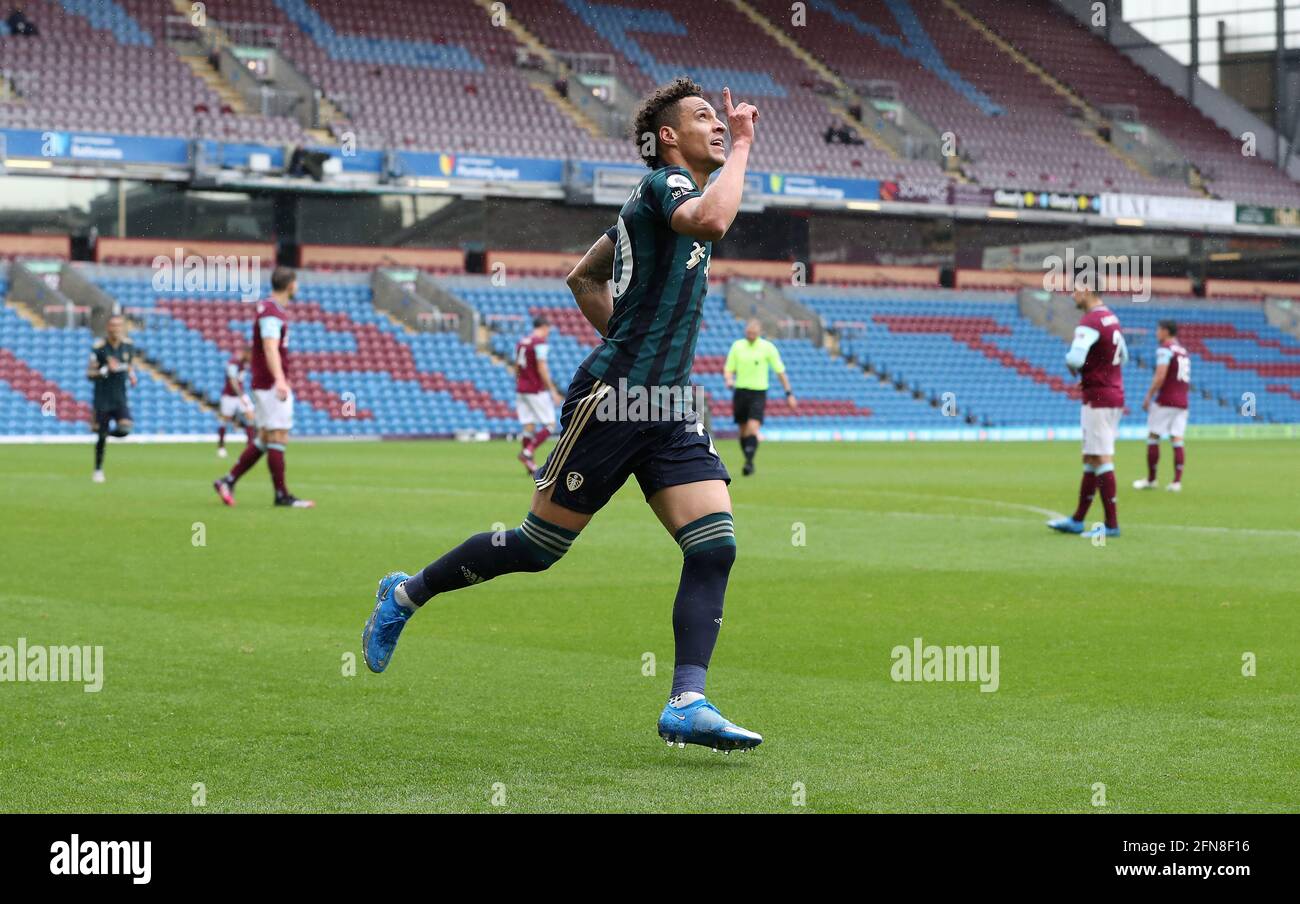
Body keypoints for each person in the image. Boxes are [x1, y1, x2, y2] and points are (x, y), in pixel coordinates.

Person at [362, 78, 765, 752]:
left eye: (723, 123)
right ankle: (404, 595)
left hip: (666, 404)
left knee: (715, 544)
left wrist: (635, 348)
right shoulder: (668, 188)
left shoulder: (655, 205)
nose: (719, 126)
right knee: (537, 548)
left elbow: (582, 277)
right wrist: (749, 143)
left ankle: (686, 701)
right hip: (613, 400)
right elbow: (714, 221)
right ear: (668, 137)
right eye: (704, 118)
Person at [213, 267, 314, 508]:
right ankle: (281, 495)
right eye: (296, 283)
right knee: (278, 436)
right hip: (269, 383)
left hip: (264, 381)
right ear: (290, 285)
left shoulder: (270, 309)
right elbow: (270, 346)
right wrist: (280, 378)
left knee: (266, 437)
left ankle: (228, 480)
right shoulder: (271, 312)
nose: (297, 287)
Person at [1048, 285, 1127, 539]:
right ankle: (1078, 519)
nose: (1073, 295)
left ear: (1088, 291)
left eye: (1076, 290)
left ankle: (1111, 525)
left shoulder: (1090, 321)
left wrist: (1079, 369)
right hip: (1113, 393)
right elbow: (1123, 356)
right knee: (1091, 458)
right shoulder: (1111, 318)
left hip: (1099, 397)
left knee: (1101, 457)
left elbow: (1074, 359)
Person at [724, 318, 795, 476]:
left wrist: (788, 393)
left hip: (758, 392)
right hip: (741, 391)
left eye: (754, 333)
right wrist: (728, 379)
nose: (751, 335)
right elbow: (729, 368)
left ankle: (749, 463)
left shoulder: (767, 348)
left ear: (759, 332)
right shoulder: (737, 346)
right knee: (742, 430)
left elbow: (780, 371)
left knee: (752, 427)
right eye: (749, 332)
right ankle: (748, 459)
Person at [1134, 319, 1189, 492]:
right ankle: (1176, 482)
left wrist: (1149, 396)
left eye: (1158, 330)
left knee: (1153, 436)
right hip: (1182, 401)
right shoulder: (1183, 351)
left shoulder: (1165, 350)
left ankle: (1151, 480)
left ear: (1166, 331)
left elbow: (1160, 376)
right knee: (1177, 439)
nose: (1157, 333)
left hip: (1166, 399)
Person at [86, 314, 137, 483]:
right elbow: (89, 373)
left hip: (120, 397)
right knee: (100, 439)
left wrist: (132, 374)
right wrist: (105, 370)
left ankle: (105, 433)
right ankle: (98, 469)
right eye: (113, 325)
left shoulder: (128, 346)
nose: (116, 329)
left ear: (123, 327)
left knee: (125, 429)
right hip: (102, 398)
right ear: (108, 328)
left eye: (119, 325)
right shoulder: (99, 348)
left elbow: (129, 365)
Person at [513, 316, 564, 476]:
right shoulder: (539, 343)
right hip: (536, 390)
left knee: (529, 426)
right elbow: (542, 367)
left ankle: (530, 464)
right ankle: (528, 452)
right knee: (550, 425)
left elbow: (517, 366)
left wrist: (519, 381)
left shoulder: (522, 342)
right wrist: (553, 390)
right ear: (544, 327)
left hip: (522, 388)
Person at [217, 346, 255, 459]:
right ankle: (221, 446)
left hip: (240, 395)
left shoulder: (245, 364)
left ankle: (249, 448)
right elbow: (233, 381)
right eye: (251, 356)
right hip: (229, 396)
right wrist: (241, 395)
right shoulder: (233, 363)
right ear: (247, 353)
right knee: (225, 420)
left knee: (250, 416)